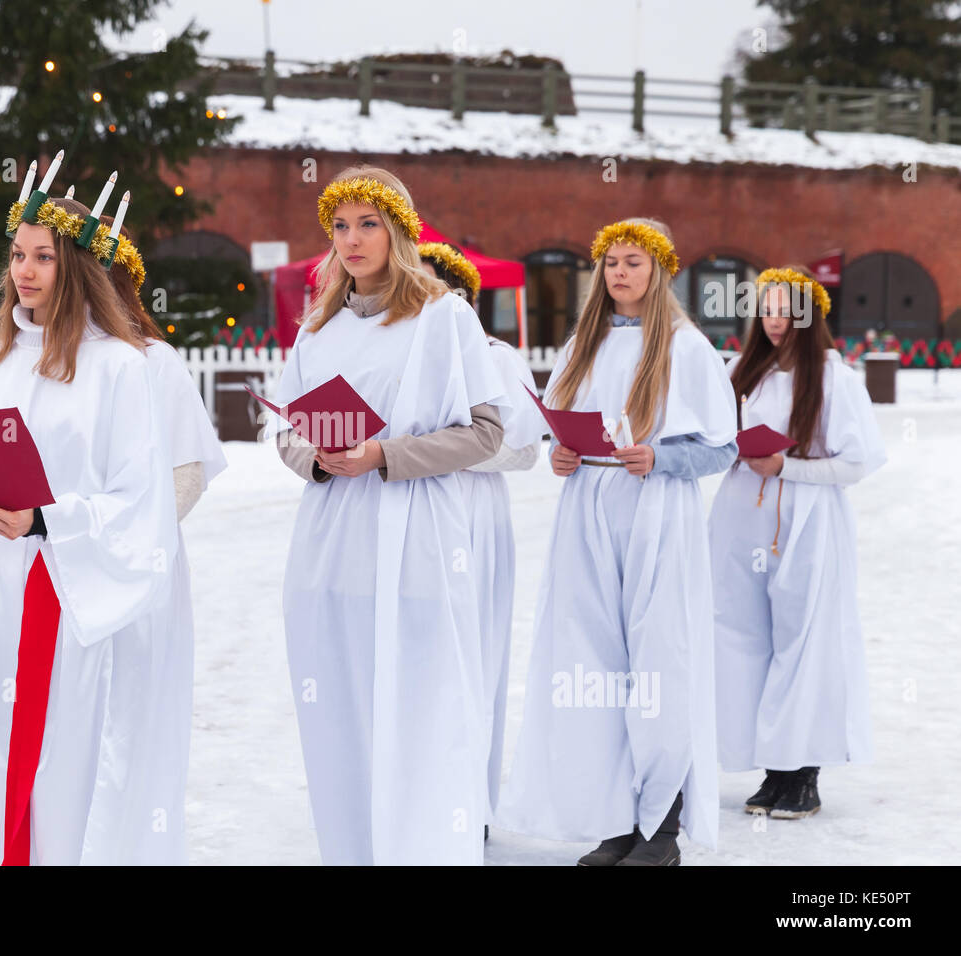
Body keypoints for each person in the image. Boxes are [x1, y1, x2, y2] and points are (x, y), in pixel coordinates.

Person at [0, 158, 178, 865]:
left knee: (47, 761)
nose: (25, 271)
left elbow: (137, 497)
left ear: (78, 266)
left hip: (58, 593)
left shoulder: (118, 366)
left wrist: (46, 519)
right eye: (18, 255)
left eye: (44, 257)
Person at [271, 165, 509, 865]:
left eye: (367, 223)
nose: (351, 239)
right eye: (339, 226)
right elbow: (285, 430)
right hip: (332, 547)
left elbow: (486, 433)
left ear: (400, 230)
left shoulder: (444, 318)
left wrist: (385, 453)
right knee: (343, 716)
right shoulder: (318, 330)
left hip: (417, 544)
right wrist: (314, 458)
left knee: (418, 713)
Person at [496, 218, 737, 866]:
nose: (620, 273)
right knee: (595, 668)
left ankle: (661, 825)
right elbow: (561, 424)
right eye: (611, 263)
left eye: (634, 261)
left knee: (659, 663)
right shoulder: (587, 340)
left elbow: (722, 446)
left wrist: (660, 459)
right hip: (589, 513)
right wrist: (562, 454)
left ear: (659, 270)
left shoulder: (686, 347)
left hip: (657, 513)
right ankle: (615, 820)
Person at [710, 265, 886, 820]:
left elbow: (857, 462)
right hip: (741, 521)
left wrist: (786, 465)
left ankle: (802, 769)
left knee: (803, 642)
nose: (775, 318)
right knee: (743, 640)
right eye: (767, 308)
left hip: (807, 522)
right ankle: (770, 766)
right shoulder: (742, 369)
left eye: (787, 309)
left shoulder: (834, 377)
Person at [78, 210, 227, 863]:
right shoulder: (45, 359)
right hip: (57, 575)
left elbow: (186, 475)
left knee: (131, 728)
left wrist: (115, 544)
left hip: (136, 576)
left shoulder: (151, 360)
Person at [418, 241, 544, 834]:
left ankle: (470, 802)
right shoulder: (403, 353)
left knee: (475, 653)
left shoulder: (498, 358)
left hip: (473, 514)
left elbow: (520, 451)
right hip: (413, 512)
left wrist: (446, 455)